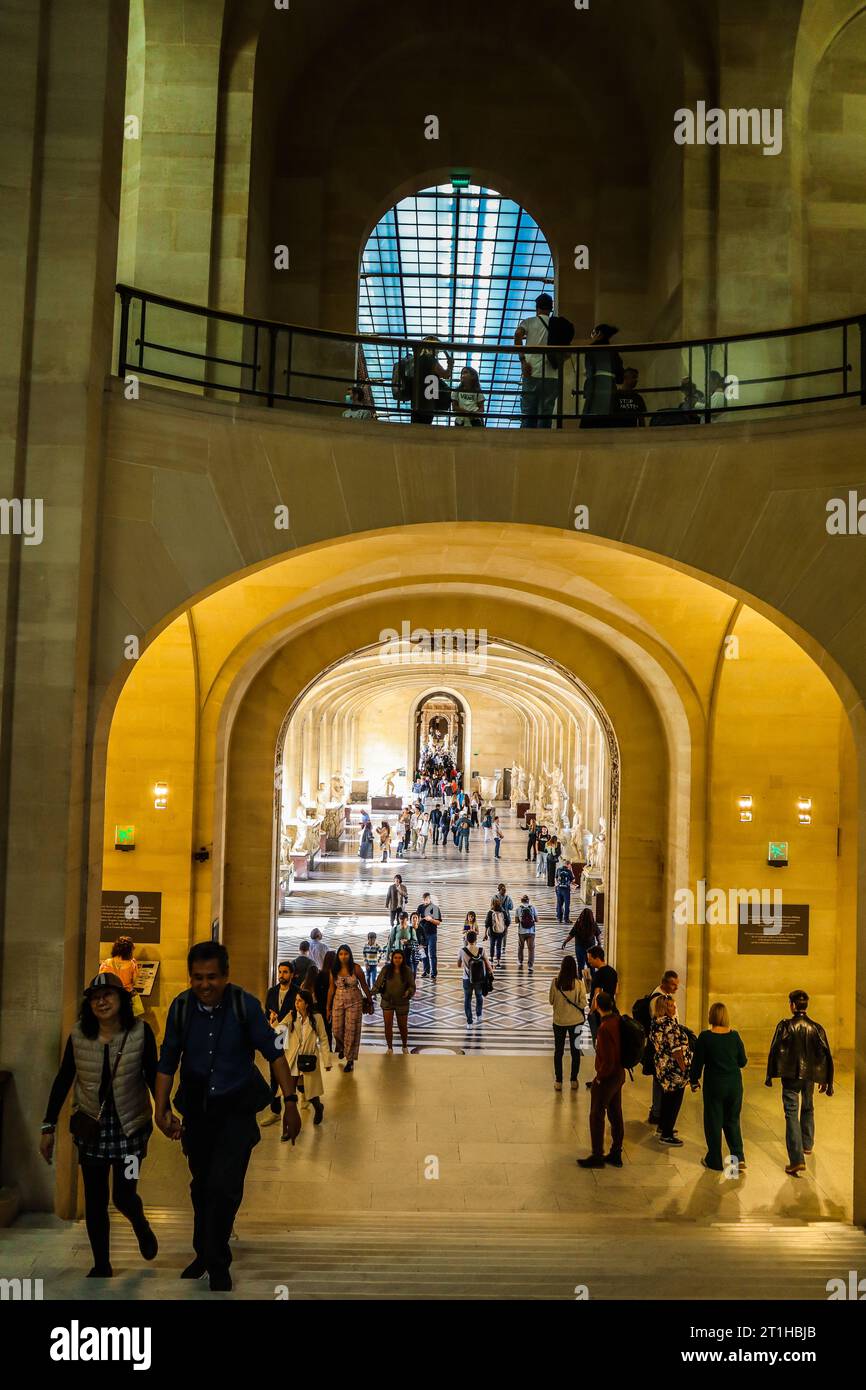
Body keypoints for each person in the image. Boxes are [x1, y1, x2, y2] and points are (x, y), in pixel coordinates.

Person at [154, 942, 298, 1291]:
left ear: (225, 976)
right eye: (198, 978)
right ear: (191, 977)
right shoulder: (182, 1008)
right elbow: (168, 1060)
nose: (205, 985)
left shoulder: (243, 1005)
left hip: (235, 1110)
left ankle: (217, 1261)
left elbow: (274, 1053)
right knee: (201, 1186)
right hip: (199, 1111)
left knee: (224, 1186)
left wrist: (291, 1101)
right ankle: (203, 1252)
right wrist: (161, 1108)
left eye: (212, 977)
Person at [40, 971, 158, 1279]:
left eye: (108, 995)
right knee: (94, 1197)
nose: (101, 1001)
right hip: (91, 1129)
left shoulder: (141, 1033)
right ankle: (101, 1263)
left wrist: (166, 1112)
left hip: (132, 1130)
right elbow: (64, 1078)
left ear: (122, 1000)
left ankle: (139, 1222)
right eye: (95, 997)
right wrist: (48, 1125)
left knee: (124, 1194)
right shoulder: (79, 1035)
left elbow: (154, 1076)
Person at [765, 989, 834, 1176]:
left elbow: (775, 1049)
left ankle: (796, 1160)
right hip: (809, 1076)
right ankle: (807, 1144)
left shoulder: (785, 1026)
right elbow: (825, 1054)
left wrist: (770, 1075)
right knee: (808, 1107)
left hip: (790, 1076)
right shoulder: (816, 1027)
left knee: (791, 1113)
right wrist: (826, 1079)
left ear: (793, 1005)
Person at [689, 1002, 747, 1173]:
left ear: (711, 1016)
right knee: (733, 1121)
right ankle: (738, 1158)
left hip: (715, 1085)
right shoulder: (734, 1036)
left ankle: (714, 1159)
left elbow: (697, 1063)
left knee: (714, 1122)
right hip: (734, 1085)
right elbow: (743, 1062)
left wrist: (693, 1081)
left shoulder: (705, 1037)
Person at [577, 992, 625, 1167]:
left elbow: (607, 1058)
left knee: (596, 1114)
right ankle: (616, 1152)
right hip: (619, 1074)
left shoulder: (604, 1028)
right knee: (615, 1113)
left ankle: (597, 1155)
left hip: (608, 1078)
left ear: (597, 1005)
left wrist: (599, 1078)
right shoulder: (618, 1020)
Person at [279, 986, 332, 1125]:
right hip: (293, 1058)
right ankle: (288, 1126)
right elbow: (279, 1029)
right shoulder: (292, 1016)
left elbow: (324, 1039)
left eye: (300, 1001)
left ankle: (318, 1107)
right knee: (290, 1093)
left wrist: (327, 1061)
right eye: (296, 1000)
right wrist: (272, 1022)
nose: (297, 1003)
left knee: (307, 1089)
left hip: (308, 1058)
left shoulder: (317, 1018)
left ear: (307, 1003)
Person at [635, 970, 680, 1126]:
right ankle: (657, 1113)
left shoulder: (663, 995)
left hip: (662, 1048)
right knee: (660, 1081)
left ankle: (657, 1111)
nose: (676, 988)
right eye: (673, 984)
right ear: (665, 983)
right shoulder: (658, 1000)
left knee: (659, 1080)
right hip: (662, 1049)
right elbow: (660, 1026)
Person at [650, 995, 692, 1145]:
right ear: (665, 1008)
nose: (675, 1008)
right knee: (674, 1100)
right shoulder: (669, 1025)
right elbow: (676, 1051)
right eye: (672, 1006)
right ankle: (667, 1133)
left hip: (663, 1067)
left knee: (667, 1097)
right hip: (674, 1068)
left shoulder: (656, 1022)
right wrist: (685, 1069)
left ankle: (663, 1126)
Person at [515, 292, 561, 428]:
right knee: (546, 414)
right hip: (552, 374)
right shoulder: (557, 324)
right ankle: (543, 443)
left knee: (529, 412)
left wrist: (523, 360)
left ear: (537, 308)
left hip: (531, 370)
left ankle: (526, 443)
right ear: (551, 308)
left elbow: (517, 335)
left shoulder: (528, 321)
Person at [262, 960, 299, 1125]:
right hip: (276, 1036)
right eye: (280, 972)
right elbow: (266, 1012)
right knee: (274, 1073)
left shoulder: (297, 992)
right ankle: (275, 1110)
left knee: (293, 1073)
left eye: (285, 972)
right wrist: (270, 1019)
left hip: (291, 1036)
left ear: (292, 974)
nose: (281, 975)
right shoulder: (272, 992)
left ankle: (302, 1102)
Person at [326, 944, 373, 1073]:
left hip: (354, 1001)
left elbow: (364, 985)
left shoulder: (356, 968)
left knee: (351, 1031)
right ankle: (341, 1047)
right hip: (338, 1001)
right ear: (338, 956)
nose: (343, 956)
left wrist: (370, 1001)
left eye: (346, 954)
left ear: (350, 955)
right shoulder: (334, 970)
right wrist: (328, 1007)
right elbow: (331, 989)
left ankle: (350, 1060)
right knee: (336, 1029)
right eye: (341, 954)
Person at [549, 956, 587, 1092]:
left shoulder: (555, 982)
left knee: (558, 1051)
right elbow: (583, 1003)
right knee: (575, 1051)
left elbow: (551, 1001)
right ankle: (573, 1080)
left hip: (559, 1021)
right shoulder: (579, 983)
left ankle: (558, 1081)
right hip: (576, 1022)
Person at [372, 947, 416, 1053]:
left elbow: (412, 986)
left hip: (402, 1003)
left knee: (403, 1026)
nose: (397, 960)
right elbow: (378, 984)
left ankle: (404, 1046)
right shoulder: (386, 969)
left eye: (399, 958)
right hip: (387, 1001)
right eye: (395, 958)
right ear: (392, 958)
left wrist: (408, 992)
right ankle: (390, 1047)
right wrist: (370, 994)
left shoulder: (407, 971)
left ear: (403, 959)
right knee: (388, 1025)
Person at [580, 323, 624, 428]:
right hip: (611, 386)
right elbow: (620, 376)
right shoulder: (614, 351)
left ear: (599, 333)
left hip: (596, 386)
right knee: (607, 419)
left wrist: (588, 389)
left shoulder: (591, 349)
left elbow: (590, 371)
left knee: (590, 420)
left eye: (593, 333)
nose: (591, 336)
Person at [412, 336, 453, 425]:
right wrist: (450, 364)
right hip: (428, 400)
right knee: (425, 424)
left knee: (415, 424)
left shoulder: (416, 359)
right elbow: (446, 375)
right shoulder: (431, 360)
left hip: (416, 398)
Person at [99, 935, 143, 1016]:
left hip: (111, 997)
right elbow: (134, 981)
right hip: (127, 997)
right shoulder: (132, 963)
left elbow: (101, 980)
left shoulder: (107, 963)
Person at [586, 946, 618, 1055]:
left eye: (590, 958)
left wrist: (591, 1011)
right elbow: (617, 990)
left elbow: (596, 995)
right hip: (612, 1009)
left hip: (600, 1012)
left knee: (600, 1041)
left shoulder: (599, 974)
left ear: (597, 958)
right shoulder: (613, 972)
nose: (589, 961)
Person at [459, 930, 492, 1026]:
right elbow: (487, 963)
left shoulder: (462, 950)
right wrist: (491, 973)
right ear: (476, 939)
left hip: (466, 978)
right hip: (479, 979)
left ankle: (469, 1022)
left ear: (466, 940)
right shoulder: (481, 950)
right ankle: (479, 1015)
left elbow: (458, 964)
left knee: (467, 999)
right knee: (479, 996)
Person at [561, 906, 599, 977]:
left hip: (579, 947)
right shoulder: (593, 924)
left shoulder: (578, 924)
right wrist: (599, 943)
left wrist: (565, 942)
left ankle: (580, 981)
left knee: (580, 965)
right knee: (591, 965)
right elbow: (597, 935)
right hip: (591, 948)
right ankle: (592, 981)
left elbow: (572, 934)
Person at [417, 892, 442, 978]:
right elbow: (417, 919)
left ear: (430, 899)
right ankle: (426, 970)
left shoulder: (434, 908)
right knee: (424, 954)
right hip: (422, 934)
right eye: (424, 899)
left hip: (432, 934)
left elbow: (438, 922)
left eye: (427, 899)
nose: (425, 901)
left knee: (432, 954)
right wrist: (421, 919)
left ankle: (433, 972)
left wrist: (431, 920)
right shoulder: (420, 907)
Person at [484, 895, 508, 968]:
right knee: (499, 946)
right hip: (501, 932)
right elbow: (508, 922)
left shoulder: (490, 912)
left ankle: (491, 959)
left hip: (492, 932)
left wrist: (485, 934)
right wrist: (505, 929)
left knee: (492, 945)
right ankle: (498, 962)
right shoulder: (503, 912)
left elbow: (487, 924)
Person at [516, 894, 537, 970]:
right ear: (528, 900)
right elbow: (537, 920)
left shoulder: (519, 908)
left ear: (521, 901)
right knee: (531, 948)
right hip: (531, 931)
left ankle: (520, 961)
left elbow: (516, 921)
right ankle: (530, 965)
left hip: (521, 931)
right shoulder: (533, 907)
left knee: (521, 947)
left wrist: (521, 919)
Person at [554, 856, 573, 925]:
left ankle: (559, 918)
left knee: (559, 903)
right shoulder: (569, 871)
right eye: (570, 865)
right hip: (566, 890)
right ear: (568, 864)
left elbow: (556, 878)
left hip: (559, 889)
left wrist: (557, 886)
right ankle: (566, 919)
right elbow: (572, 880)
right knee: (567, 904)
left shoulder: (558, 869)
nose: (571, 866)